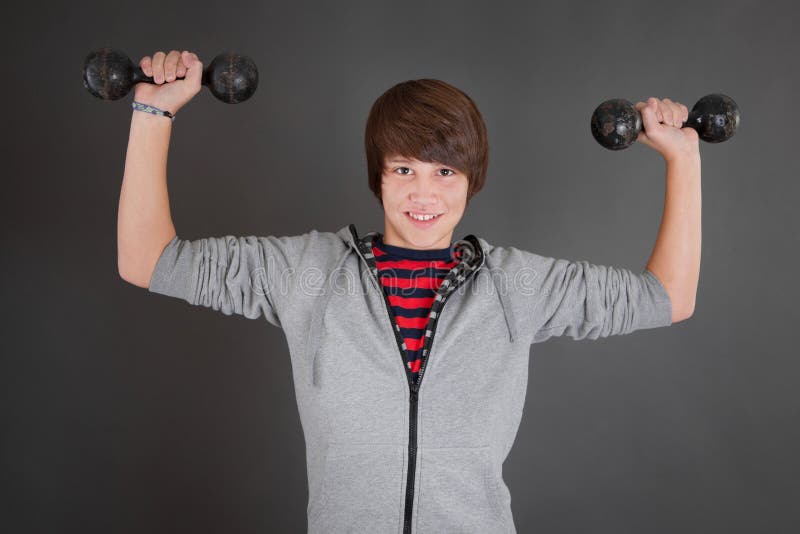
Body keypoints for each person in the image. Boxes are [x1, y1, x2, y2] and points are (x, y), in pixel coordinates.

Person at [118, 49, 700, 534]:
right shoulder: (304, 273)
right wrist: (152, 110)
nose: (424, 193)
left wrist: (684, 158)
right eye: (404, 169)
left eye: (444, 172)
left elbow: (667, 297)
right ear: (378, 175)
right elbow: (150, 261)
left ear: (472, 179)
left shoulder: (517, 286)